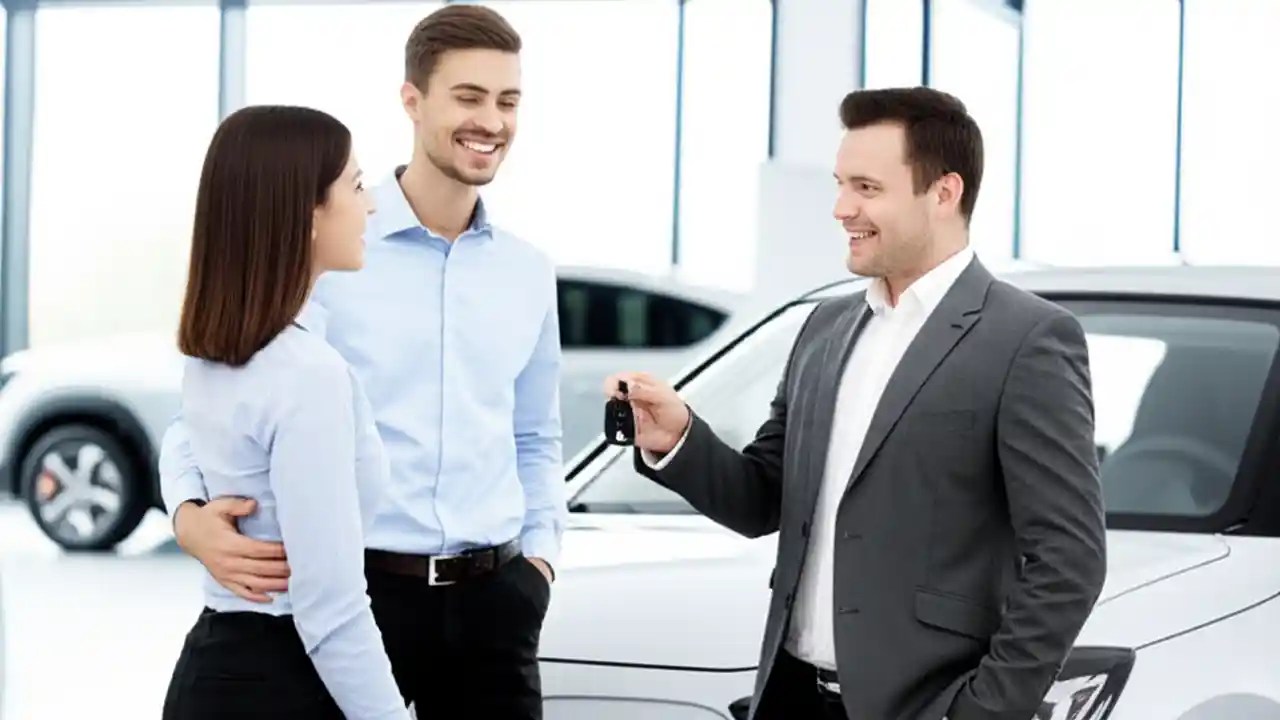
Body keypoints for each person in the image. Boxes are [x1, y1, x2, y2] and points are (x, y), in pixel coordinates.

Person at [604, 87, 1107, 720]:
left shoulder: (1028, 338)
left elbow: (1070, 560)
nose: (843, 209)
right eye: (841, 185)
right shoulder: (825, 327)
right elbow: (764, 497)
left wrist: (983, 711)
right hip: (791, 697)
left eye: (867, 188)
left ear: (944, 193)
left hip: (926, 706)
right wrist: (677, 438)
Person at [158, 6, 565, 719]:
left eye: (508, 101)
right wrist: (187, 513)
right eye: (468, 97)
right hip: (359, 597)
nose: (491, 122)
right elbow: (213, 407)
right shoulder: (330, 235)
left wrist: (540, 565)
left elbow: (536, 437)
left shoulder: (529, 272)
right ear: (412, 99)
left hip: (495, 605)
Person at [159, 104, 409, 720]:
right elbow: (333, 610)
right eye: (354, 185)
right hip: (282, 683)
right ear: (306, 213)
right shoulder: (308, 373)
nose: (371, 204)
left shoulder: (219, 349)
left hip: (214, 670)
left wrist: (186, 512)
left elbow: (183, 438)